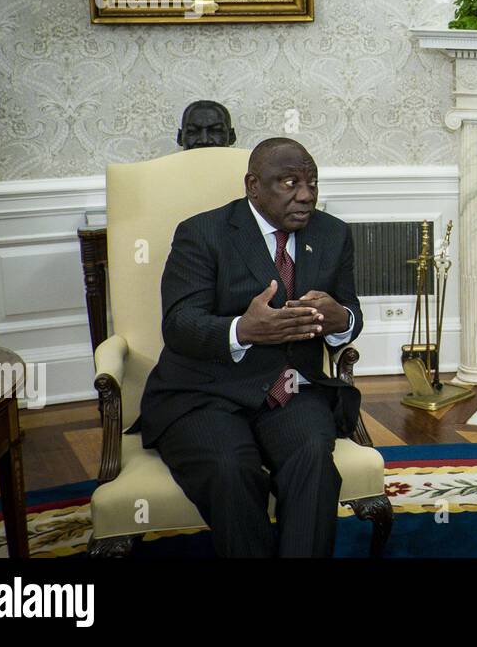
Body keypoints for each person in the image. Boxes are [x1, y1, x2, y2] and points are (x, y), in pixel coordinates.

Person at [129, 137, 362, 557]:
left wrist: (340, 319)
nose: (306, 195)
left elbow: (350, 311)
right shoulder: (202, 233)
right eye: (289, 183)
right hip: (204, 392)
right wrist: (242, 330)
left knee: (313, 459)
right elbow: (179, 325)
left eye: (311, 182)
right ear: (253, 186)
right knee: (229, 469)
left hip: (290, 388)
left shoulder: (333, 234)